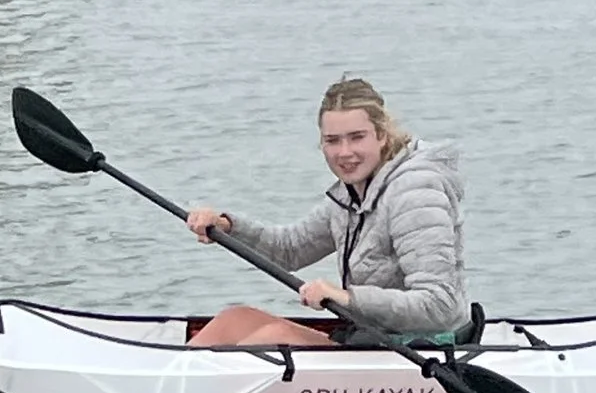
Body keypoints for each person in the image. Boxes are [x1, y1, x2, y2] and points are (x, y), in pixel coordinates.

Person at [183, 75, 468, 350]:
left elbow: (439, 306)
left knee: (274, 336)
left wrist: (347, 298)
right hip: (370, 337)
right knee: (236, 319)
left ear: (381, 136)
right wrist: (227, 226)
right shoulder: (350, 193)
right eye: (333, 141)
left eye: (356, 137)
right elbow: (290, 250)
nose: (344, 152)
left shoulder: (414, 192)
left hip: (425, 351)